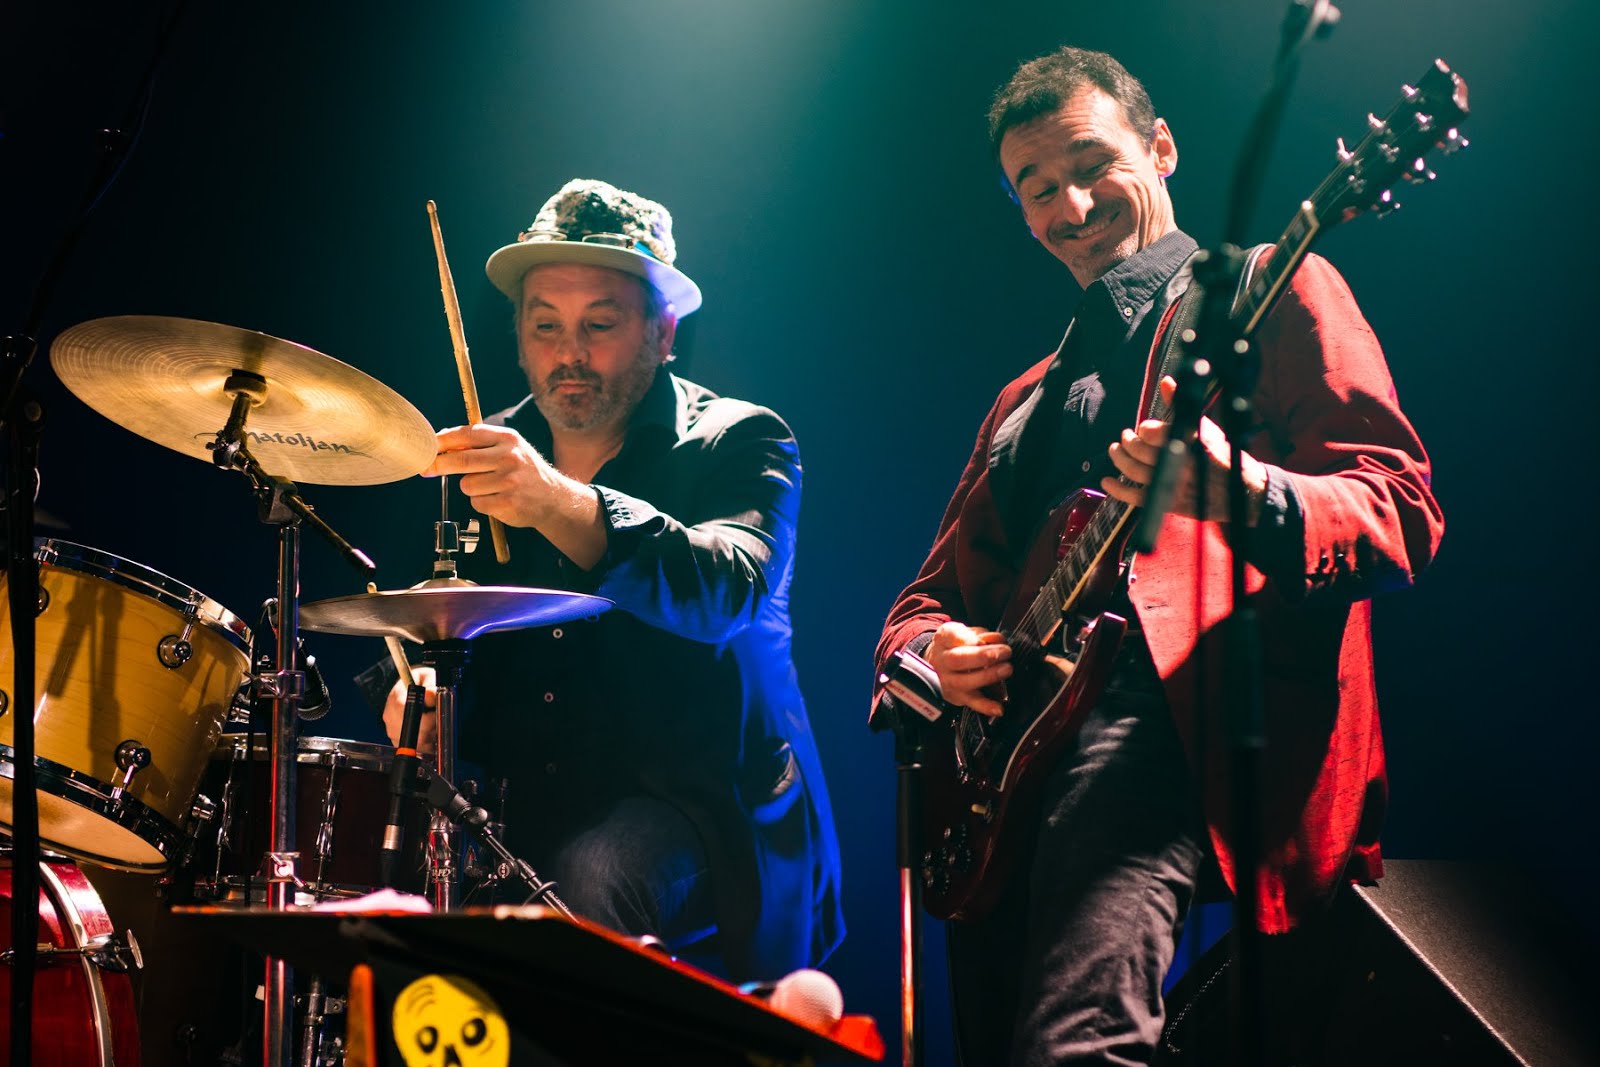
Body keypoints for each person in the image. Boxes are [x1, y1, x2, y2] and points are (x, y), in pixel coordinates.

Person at [871, 47, 1444, 1064]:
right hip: (1004, 772)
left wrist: (1247, 492)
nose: (1070, 204)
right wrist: (929, 655)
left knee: (1075, 1045)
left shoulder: (1274, 287)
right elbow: (924, 601)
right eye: (1037, 187)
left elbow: (1399, 507)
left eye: (1092, 163)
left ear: (1162, 147)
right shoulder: (1022, 400)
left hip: (1172, 716)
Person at [373, 178, 843, 981]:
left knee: (592, 875)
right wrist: (417, 681)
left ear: (664, 332)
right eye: (545, 325)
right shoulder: (487, 453)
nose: (569, 354)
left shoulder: (744, 440)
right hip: (522, 801)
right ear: (518, 338)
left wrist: (557, 502)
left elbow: (727, 589)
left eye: (600, 324)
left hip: (704, 805)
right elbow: (440, 619)